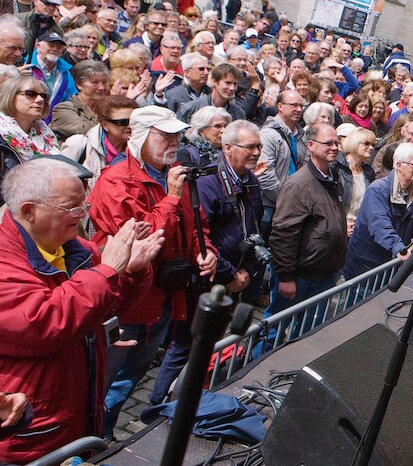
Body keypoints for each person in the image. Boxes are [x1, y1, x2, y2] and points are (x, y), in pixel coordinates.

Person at [0, 158, 163, 463]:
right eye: (72, 207)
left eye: (83, 204)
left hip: (76, 408)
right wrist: (107, 271)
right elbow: (43, 323)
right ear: (29, 211)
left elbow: (106, 308)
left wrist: (131, 272)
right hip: (31, 430)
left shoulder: (79, 249)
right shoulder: (4, 264)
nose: (83, 214)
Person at [86, 106, 218, 436]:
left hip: (164, 294)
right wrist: (171, 198)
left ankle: (105, 432)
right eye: (165, 135)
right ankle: (93, 437)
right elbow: (139, 239)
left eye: (177, 136)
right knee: (108, 378)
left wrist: (206, 251)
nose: (174, 143)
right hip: (128, 299)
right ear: (140, 135)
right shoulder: (116, 179)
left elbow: (196, 223)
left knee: (134, 372)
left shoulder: (173, 173)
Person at [148, 120, 264, 405]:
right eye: (250, 147)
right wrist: (230, 275)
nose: (256, 152)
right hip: (206, 281)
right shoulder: (206, 183)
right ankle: (158, 404)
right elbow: (199, 239)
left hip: (234, 278)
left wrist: (248, 271)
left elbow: (255, 229)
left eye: (259, 146)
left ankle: (189, 397)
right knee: (185, 347)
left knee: (209, 344)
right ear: (228, 147)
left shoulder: (250, 180)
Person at [264, 123, 346, 336]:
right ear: (311, 145)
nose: (334, 147)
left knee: (307, 332)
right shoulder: (298, 185)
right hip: (299, 275)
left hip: (323, 273)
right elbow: (283, 234)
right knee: (275, 329)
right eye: (328, 143)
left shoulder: (332, 178)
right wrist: (286, 277)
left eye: (336, 143)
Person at [342, 142, 413, 279]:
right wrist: (398, 247)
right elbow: (379, 224)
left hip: (388, 268)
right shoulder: (378, 190)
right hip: (365, 267)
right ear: (399, 165)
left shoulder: (411, 194)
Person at [61, 95, 137, 189]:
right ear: (105, 124)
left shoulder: (140, 149)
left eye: (134, 121)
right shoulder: (79, 144)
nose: (130, 126)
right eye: (122, 122)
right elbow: (60, 181)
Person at [258, 90, 307, 235]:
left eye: (301, 106)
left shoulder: (301, 135)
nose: (299, 109)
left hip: (294, 204)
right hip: (270, 206)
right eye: (294, 105)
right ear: (280, 106)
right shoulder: (267, 134)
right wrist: (285, 199)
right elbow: (264, 174)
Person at [0, 76, 59, 163]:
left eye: (43, 96)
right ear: (11, 96)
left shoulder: (45, 131)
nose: (40, 100)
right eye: (31, 94)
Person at [177, 62, 260, 123]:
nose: (232, 88)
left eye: (235, 84)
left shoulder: (238, 113)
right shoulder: (189, 109)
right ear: (214, 82)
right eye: (228, 83)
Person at [334, 127, 377, 233]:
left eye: (373, 144)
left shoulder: (368, 171)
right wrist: (342, 222)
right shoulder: (336, 166)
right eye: (366, 144)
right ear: (354, 143)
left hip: (359, 226)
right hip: (337, 224)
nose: (371, 148)